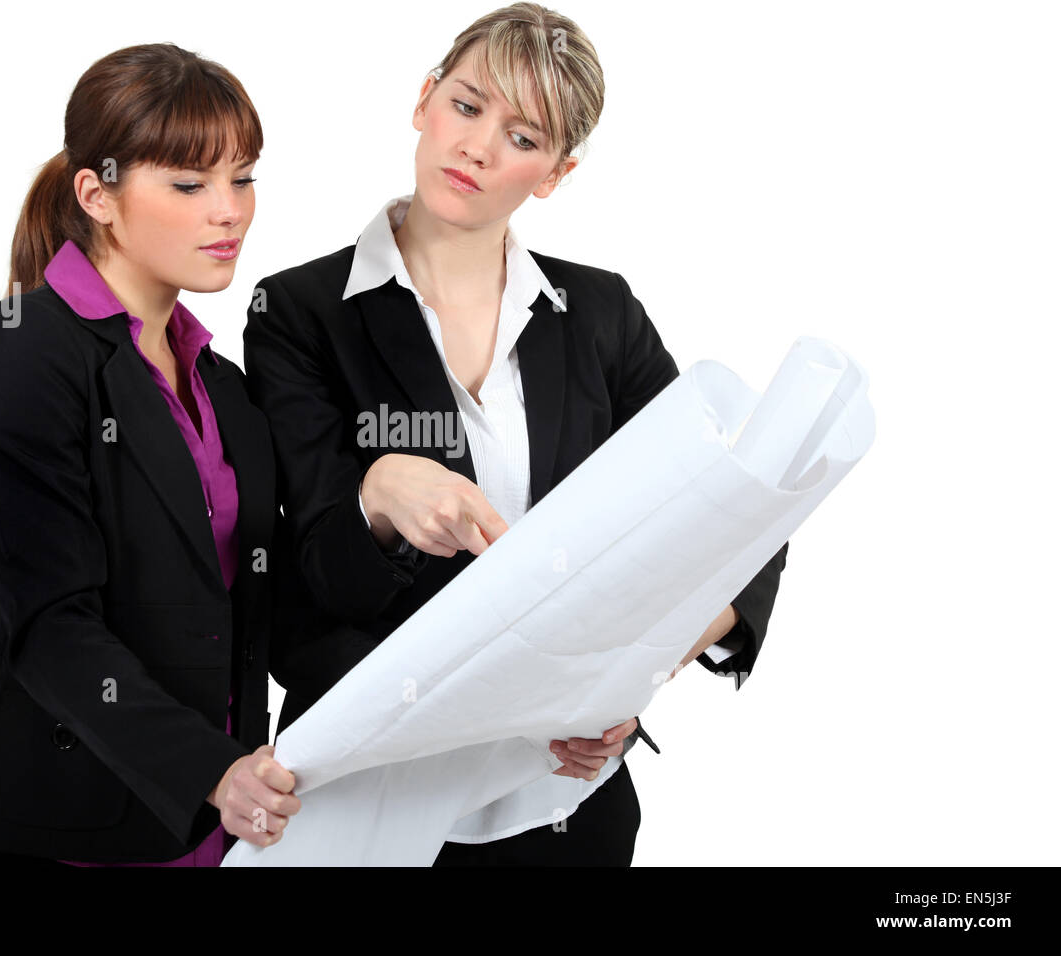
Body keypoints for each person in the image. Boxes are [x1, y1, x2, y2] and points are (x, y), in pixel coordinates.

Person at [243, 4, 789, 866]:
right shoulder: (298, 313)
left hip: (568, 809)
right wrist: (376, 497)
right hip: (372, 804)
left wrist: (631, 682)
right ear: (423, 101)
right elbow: (316, 569)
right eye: (466, 106)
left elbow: (737, 524)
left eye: (522, 135)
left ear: (555, 173)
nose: (478, 147)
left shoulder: (601, 313)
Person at [0, 43, 300, 867]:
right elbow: (50, 625)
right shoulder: (21, 350)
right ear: (97, 195)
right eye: (189, 184)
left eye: (243, 178)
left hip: (214, 826)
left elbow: (268, 611)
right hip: (71, 828)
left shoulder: (223, 382)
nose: (229, 211)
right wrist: (212, 771)